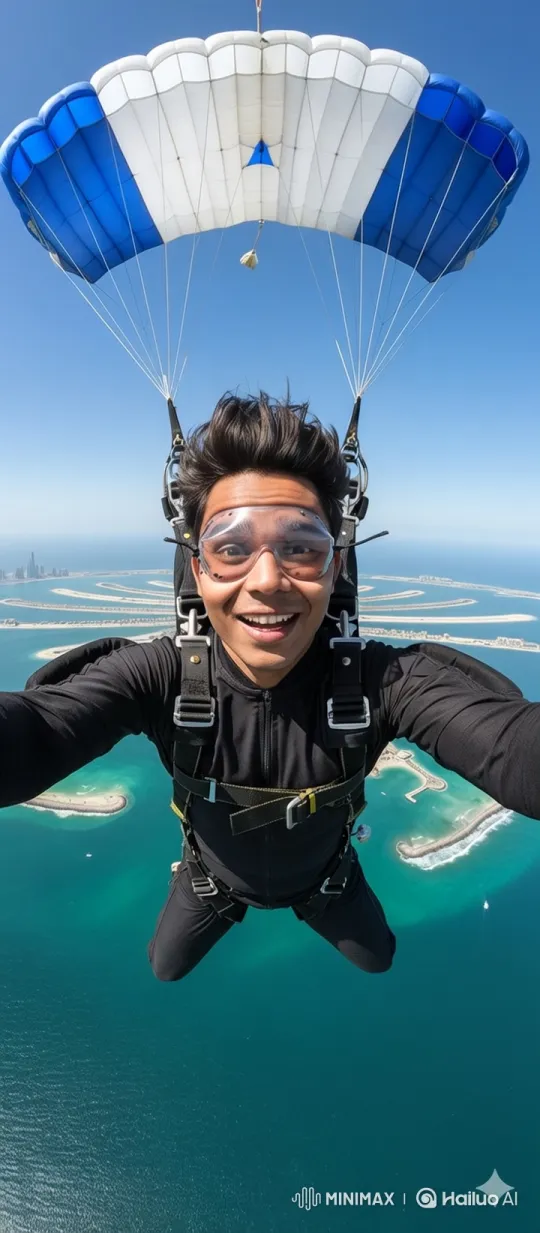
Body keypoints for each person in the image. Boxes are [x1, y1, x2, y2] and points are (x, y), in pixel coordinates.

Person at [1, 394, 539, 983]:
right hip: (214, 882)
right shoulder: (159, 677)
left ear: (336, 567)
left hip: (324, 881)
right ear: (198, 570)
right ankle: (208, 881)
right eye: (230, 548)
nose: (265, 581)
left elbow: (512, 749)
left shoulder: (383, 682)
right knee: (165, 966)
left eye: (301, 547)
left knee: (376, 957)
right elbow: (36, 732)